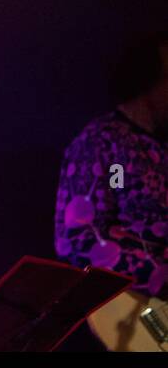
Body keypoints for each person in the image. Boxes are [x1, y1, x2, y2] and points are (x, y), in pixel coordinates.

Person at [55, 33, 168, 299]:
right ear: (148, 83)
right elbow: (78, 240)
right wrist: (157, 275)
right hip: (133, 307)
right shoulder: (101, 141)